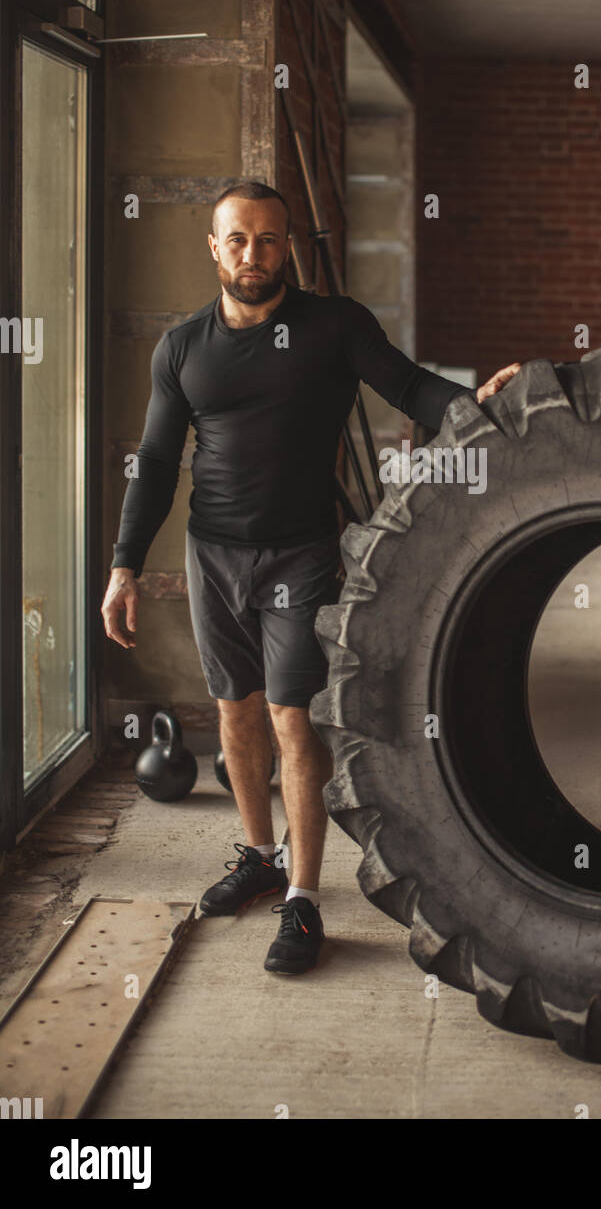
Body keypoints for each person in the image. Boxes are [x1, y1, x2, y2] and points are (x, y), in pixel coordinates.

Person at [101, 180, 521, 975]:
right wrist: (125, 564)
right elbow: (156, 463)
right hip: (210, 553)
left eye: (267, 239)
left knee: (293, 720)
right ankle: (258, 854)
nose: (252, 254)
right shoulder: (183, 348)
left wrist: (477, 404)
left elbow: (409, 386)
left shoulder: (333, 326)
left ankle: (301, 899)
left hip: (298, 553)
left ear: (285, 244)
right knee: (235, 714)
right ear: (213, 246)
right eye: (237, 239)